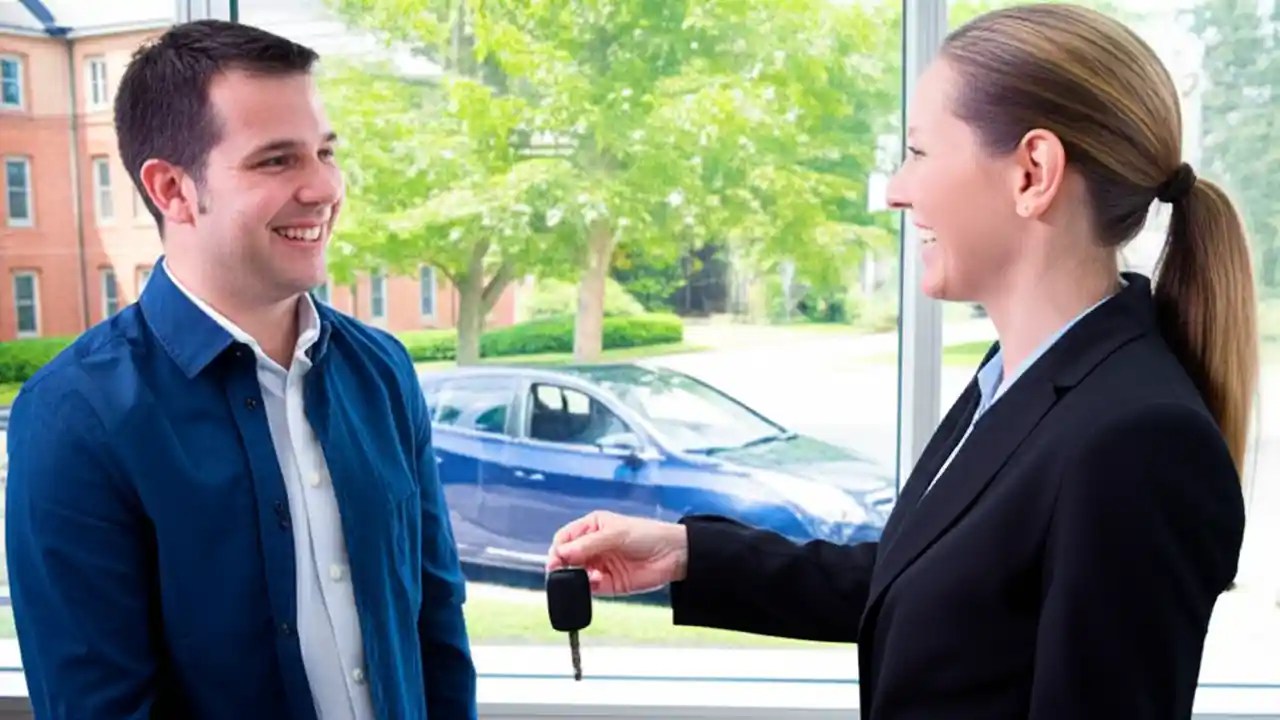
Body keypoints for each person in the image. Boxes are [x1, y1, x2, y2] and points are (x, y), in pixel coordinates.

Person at [547, 4, 1255, 719]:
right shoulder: (1018, 382)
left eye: (918, 152)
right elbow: (934, 583)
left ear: (1033, 172)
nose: (895, 189)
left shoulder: (1136, 444)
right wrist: (688, 554)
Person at [5, 20, 476, 720]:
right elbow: (98, 705)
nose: (323, 188)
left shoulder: (382, 371)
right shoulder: (76, 417)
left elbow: (436, 625)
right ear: (173, 190)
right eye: (277, 161)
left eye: (325, 152)